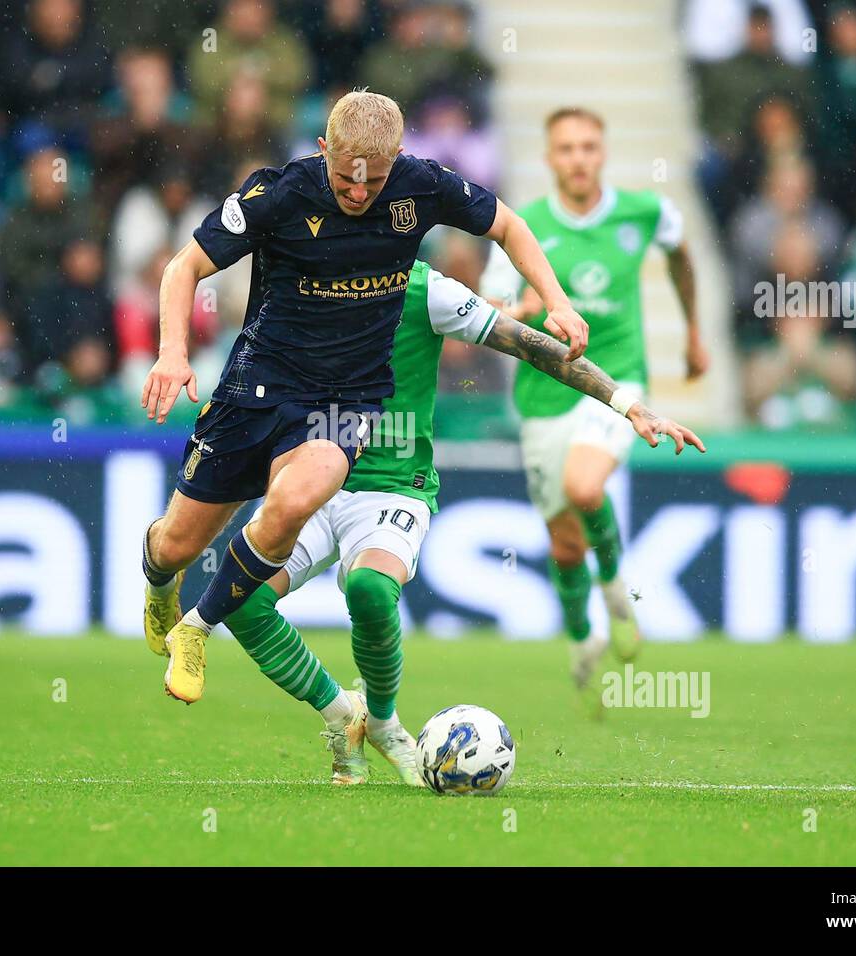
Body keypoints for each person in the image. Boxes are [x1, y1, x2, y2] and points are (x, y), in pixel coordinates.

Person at [140, 90, 589, 707]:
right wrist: (172, 352)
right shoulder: (280, 194)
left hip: (345, 400)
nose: (359, 194)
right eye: (346, 179)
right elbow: (181, 268)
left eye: (374, 181)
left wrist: (558, 300)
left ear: (398, 158)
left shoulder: (422, 186)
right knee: (177, 545)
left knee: (299, 495)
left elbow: (508, 226)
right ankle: (160, 580)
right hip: (256, 389)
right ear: (323, 149)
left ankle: (198, 627)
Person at [224, 259, 704, 785]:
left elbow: (533, 345)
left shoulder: (426, 290)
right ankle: (342, 714)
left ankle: (383, 722)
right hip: (307, 477)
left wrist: (627, 404)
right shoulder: (301, 278)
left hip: (392, 483)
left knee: (368, 588)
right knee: (242, 601)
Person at [479, 107, 707, 687]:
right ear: (549, 158)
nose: (578, 159)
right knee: (562, 545)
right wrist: (524, 309)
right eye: (566, 149)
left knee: (586, 487)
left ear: (602, 153)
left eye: (587, 147)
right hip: (544, 390)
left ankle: (615, 589)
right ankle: (582, 633)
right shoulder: (521, 225)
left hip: (620, 379)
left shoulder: (646, 211)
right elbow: (488, 308)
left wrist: (694, 333)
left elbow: (682, 257)